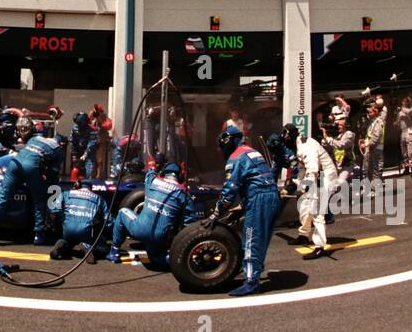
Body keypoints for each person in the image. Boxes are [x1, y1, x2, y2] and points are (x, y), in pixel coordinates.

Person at [210, 127, 284, 296]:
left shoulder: (235, 158)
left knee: (251, 238)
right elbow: (257, 180)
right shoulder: (252, 151)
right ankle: (253, 270)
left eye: (222, 145)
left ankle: (252, 281)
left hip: (260, 199)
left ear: (228, 141)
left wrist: (216, 214)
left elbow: (229, 190)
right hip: (271, 196)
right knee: (260, 239)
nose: (222, 149)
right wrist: (242, 206)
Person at [0, 116, 64, 245]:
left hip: (14, 164)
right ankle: (39, 235)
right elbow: (53, 173)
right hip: (31, 167)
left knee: (2, 197)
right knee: (39, 201)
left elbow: (20, 150)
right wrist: (45, 181)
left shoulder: (34, 139)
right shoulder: (57, 148)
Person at [106, 154, 196, 267]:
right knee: (153, 257)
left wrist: (154, 164)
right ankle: (170, 259)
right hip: (160, 238)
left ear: (163, 173)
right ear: (180, 176)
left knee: (122, 211)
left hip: (139, 230)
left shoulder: (152, 181)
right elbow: (190, 223)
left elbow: (150, 171)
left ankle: (114, 251)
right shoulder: (183, 193)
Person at [294, 123, 339, 260]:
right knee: (305, 206)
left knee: (316, 210)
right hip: (317, 176)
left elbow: (312, 170)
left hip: (326, 176)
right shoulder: (299, 142)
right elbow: (303, 168)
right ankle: (303, 235)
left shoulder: (307, 148)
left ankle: (319, 247)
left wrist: (304, 187)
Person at [50, 184, 109, 261]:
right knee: (105, 249)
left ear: (77, 186)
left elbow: (53, 213)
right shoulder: (99, 198)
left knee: (69, 241)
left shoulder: (66, 193)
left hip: (68, 230)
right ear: (91, 189)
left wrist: (57, 228)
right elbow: (108, 221)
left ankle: (63, 243)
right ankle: (89, 247)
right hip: (86, 232)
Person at [359, 98, 386, 190]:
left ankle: (374, 188)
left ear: (375, 112)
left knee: (375, 169)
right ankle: (370, 186)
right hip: (372, 148)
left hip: (375, 149)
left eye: (370, 112)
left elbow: (376, 137)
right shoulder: (371, 122)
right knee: (367, 168)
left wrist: (367, 145)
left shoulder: (378, 122)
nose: (369, 114)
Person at [394, 95, 412, 174]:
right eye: (403, 102)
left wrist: (402, 109)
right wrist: (395, 123)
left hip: (410, 131)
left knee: (410, 151)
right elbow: (397, 123)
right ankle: (406, 167)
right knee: (404, 151)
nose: (404, 103)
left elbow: (408, 112)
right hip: (403, 131)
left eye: (405, 102)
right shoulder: (399, 113)